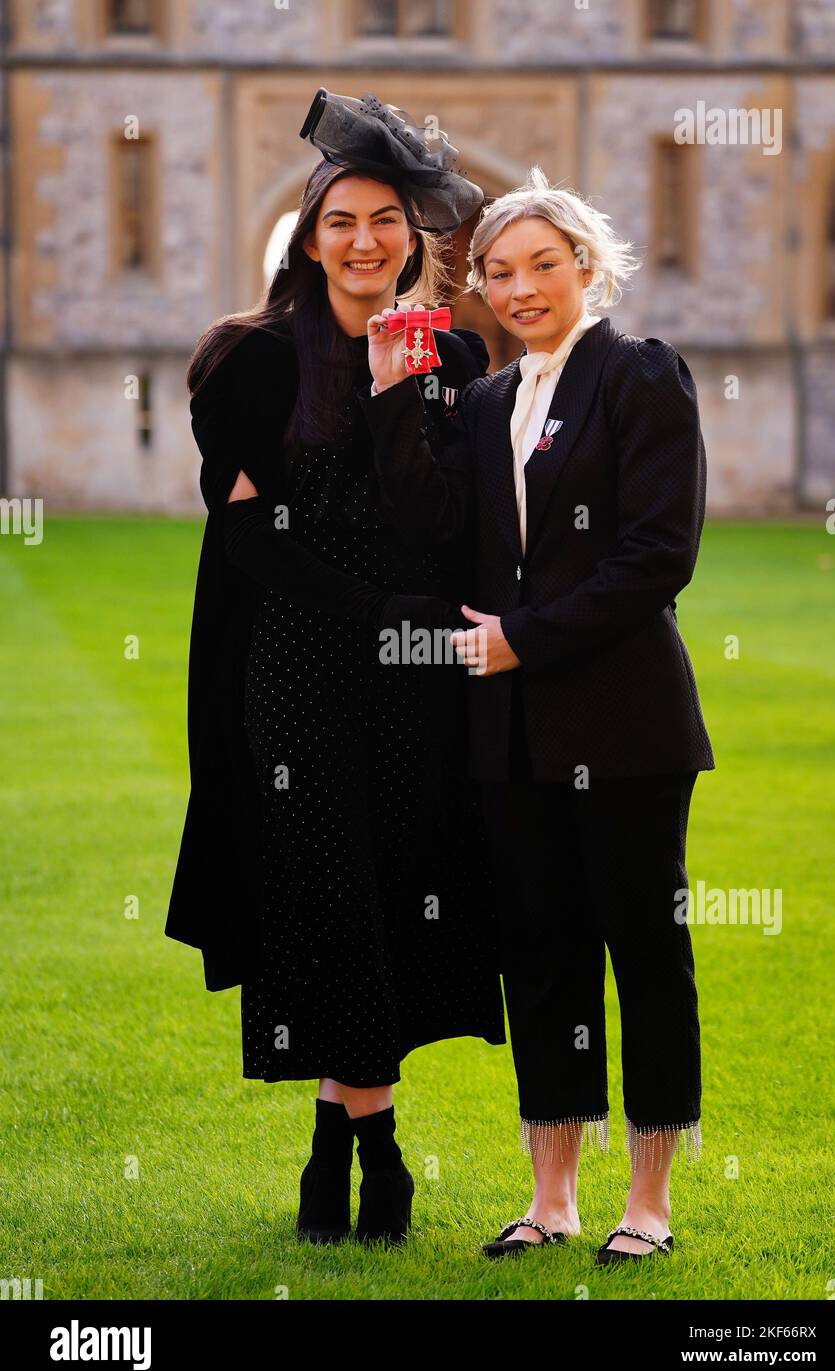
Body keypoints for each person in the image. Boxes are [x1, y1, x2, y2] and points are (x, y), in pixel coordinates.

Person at [164, 92, 506, 1248]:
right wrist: (376, 607)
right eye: (341, 222)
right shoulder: (249, 361)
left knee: (381, 894)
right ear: (308, 239)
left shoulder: (448, 359)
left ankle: (329, 1144)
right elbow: (251, 540)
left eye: (385, 222)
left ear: (413, 237)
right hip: (299, 670)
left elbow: (448, 519)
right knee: (325, 890)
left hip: (413, 678)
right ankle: (383, 1156)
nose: (364, 241)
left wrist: (403, 393)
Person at [360, 166, 714, 1264]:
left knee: (643, 953)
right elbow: (425, 527)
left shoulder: (638, 375)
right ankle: (550, 1198)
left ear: (584, 266)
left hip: (623, 723)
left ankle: (644, 1205)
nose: (518, 289)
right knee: (542, 959)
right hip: (508, 737)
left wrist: (524, 637)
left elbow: (657, 556)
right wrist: (389, 389)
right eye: (498, 273)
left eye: (540, 267)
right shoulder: (480, 403)